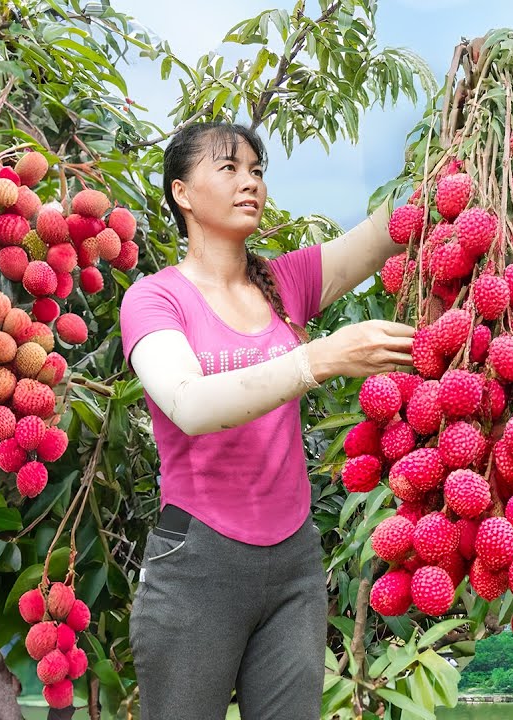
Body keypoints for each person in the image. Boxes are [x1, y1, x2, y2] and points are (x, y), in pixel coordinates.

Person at [119, 121, 414, 719]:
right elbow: (188, 403)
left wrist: (467, 137)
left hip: (293, 560)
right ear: (181, 192)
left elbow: (391, 230)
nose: (249, 182)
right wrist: (319, 358)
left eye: (256, 170)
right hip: (198, 558)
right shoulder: (155, 299)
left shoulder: (287, 283)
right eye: (228, 168)